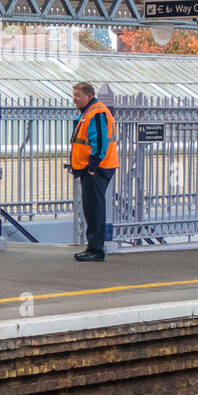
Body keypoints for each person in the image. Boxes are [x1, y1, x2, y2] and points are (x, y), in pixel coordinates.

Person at [69, 82, 118, 262]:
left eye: (78, 95)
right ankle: (93, 247)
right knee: (91, 208)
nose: (74, 99)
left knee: (94, 209)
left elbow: (99, 141)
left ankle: (96, 250)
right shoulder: (89, 112)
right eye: (74, 95)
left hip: (96, 170)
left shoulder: (96, 112)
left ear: (88, 96)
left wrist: (91, 167)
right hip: (93, 169)